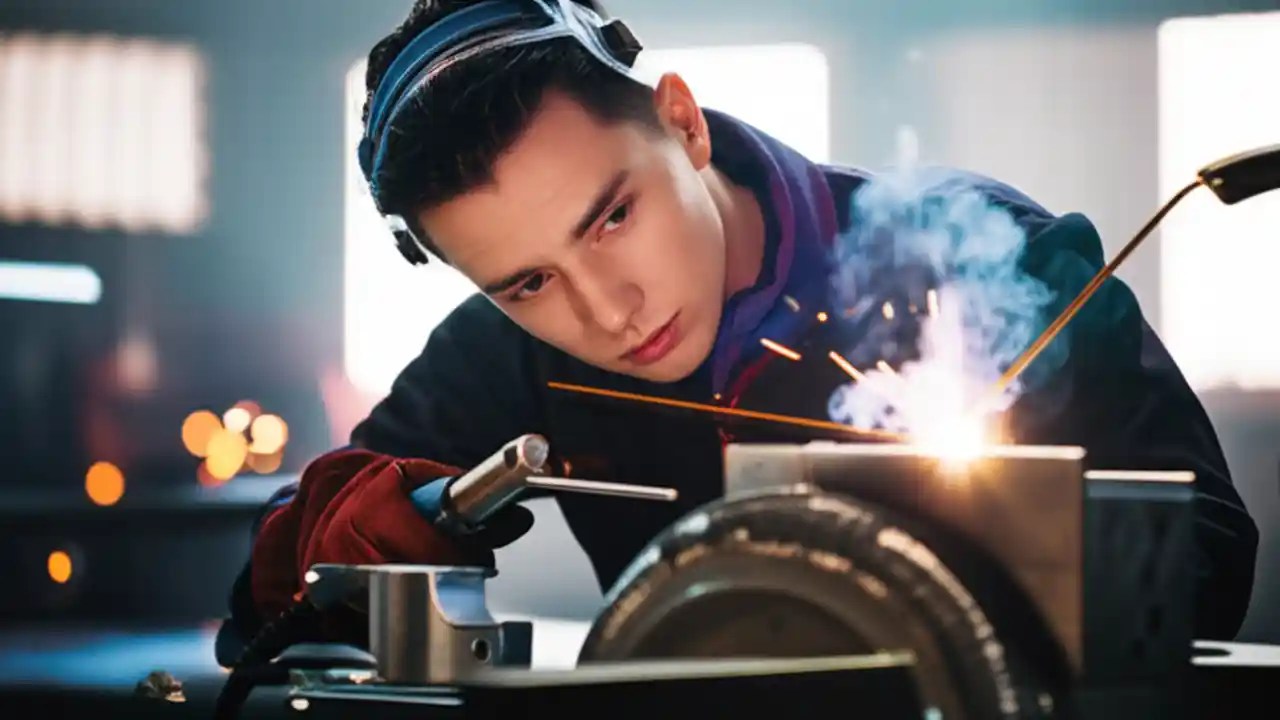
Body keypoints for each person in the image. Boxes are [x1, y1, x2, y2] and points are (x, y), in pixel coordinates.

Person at [215, 0, 1258, 665]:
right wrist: (341, 550)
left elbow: (1207, 561)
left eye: (611, 218)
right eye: (528, 281)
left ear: (682, 122)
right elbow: (263, 611)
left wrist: (992, 548)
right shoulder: (504, 350)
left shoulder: (988, 254)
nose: (606, 311)